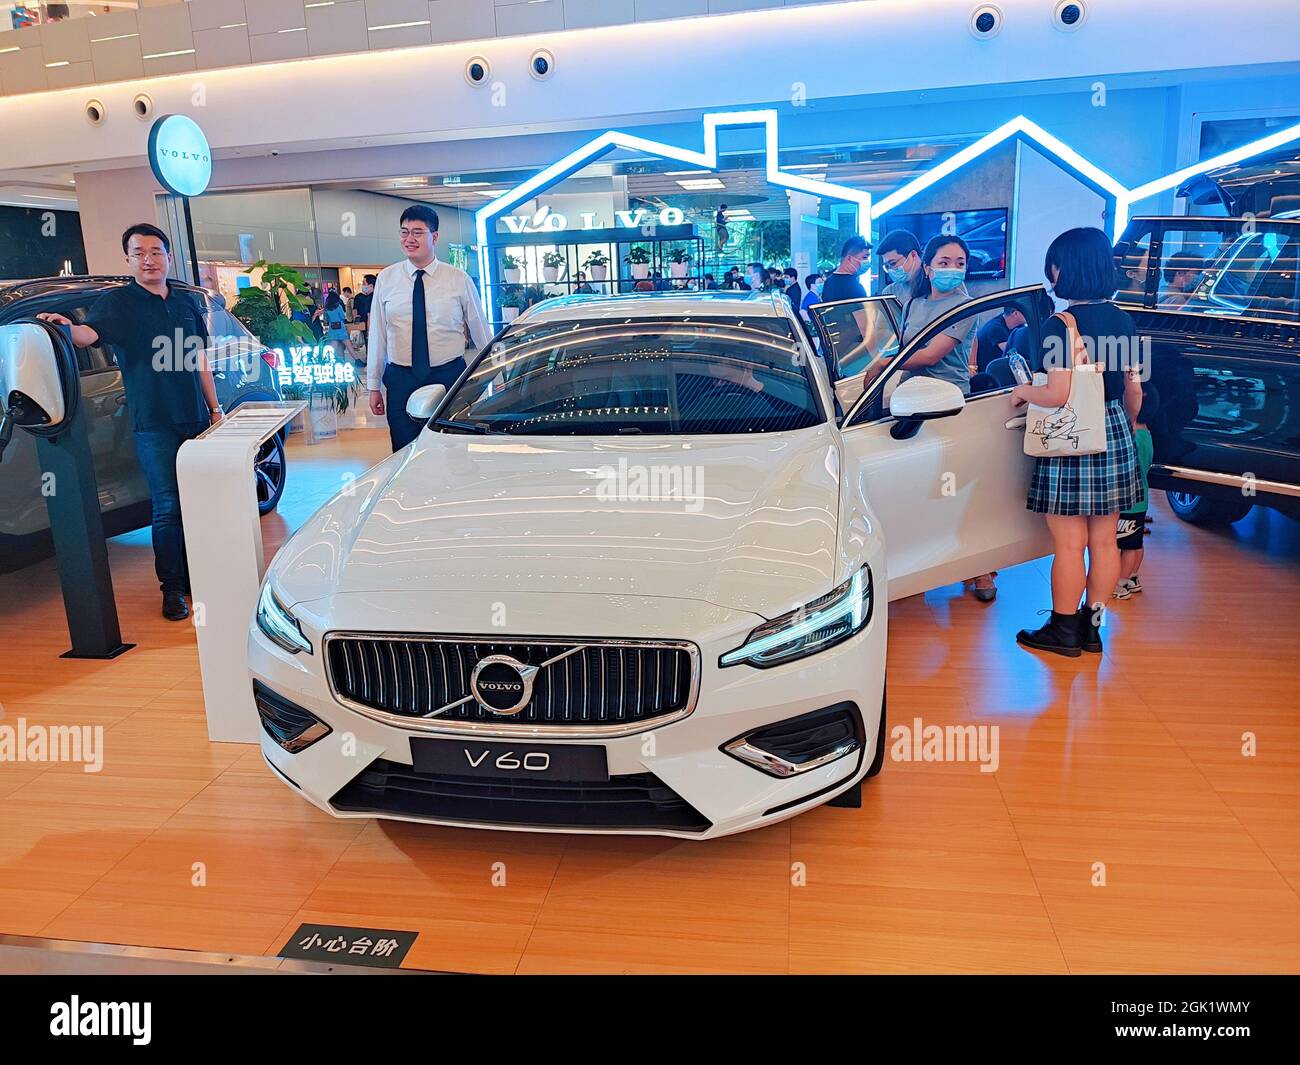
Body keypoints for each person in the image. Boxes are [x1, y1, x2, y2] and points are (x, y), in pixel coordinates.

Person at [36, 223, 222, 621]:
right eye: (138, 253)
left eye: (155, 252)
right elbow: (89, 335)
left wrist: (215, 409)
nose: (148, 259)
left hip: (195, 417)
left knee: (197, 503)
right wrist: (64, 328)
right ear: (129, 259)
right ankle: (172, 589)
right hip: (153, 422)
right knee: (168, 506)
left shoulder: (187, 303)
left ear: (169, 256)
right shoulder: (118, 303)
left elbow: (200, 360)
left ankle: (200, 576)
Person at [1011, 226, 1144, 656]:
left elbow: (1057, 394)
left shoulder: (1058, 324)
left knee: (1070, 543)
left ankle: (1063, 630)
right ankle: (1093, 628)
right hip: (1115, 432)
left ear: (1062, 269)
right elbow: (1133, 390)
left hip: (1073, 439)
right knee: (1105, 542)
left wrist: (1021, 392)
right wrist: (1125, 425)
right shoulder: (1125, 320)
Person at [368, 205, 491, 452]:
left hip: (449, 378)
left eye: (417, 232)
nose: (409, 239)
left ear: (434, 237)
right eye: (404, 232)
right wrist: (373, 386)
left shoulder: (458, 279)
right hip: (401, 378)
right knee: (404, 450)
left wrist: (496, 374)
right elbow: (378, 335)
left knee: (452, 448)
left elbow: (481, 332)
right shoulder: (387, 279)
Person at [1115, 380, 1158, 600]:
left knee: (1122, 546)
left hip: (1126, 500)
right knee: (1135, 542)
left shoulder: (1131, 438)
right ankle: (1132, 576)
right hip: (1141, 500)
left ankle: (1119, 583)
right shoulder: (1147, 434)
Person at [975, 304, 1027, 372]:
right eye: (1025, 311)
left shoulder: (1019, 325)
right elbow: (1013, 352)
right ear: (1015, 313)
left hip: (1003, 367)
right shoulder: (995, 328)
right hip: (991, 373)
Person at [877, 229, 922, 307]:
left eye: (893, 263)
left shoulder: (935, 286)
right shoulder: (890, 293)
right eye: (887, 266)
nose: (891, 270)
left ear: (913, 255)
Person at [820, 236, 870, 304]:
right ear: (849, 258)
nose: (867, 261)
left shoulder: (828, 282)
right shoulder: (855, 288)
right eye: (864, 257)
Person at [321, 290, 360, 363]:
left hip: (332, 329)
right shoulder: (338, 306)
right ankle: (357, 360)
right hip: (341, 328)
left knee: (333, 347)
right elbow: (342, 316)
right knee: (349, 346)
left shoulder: (327, 308)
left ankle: (329, 361)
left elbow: (327, 319)